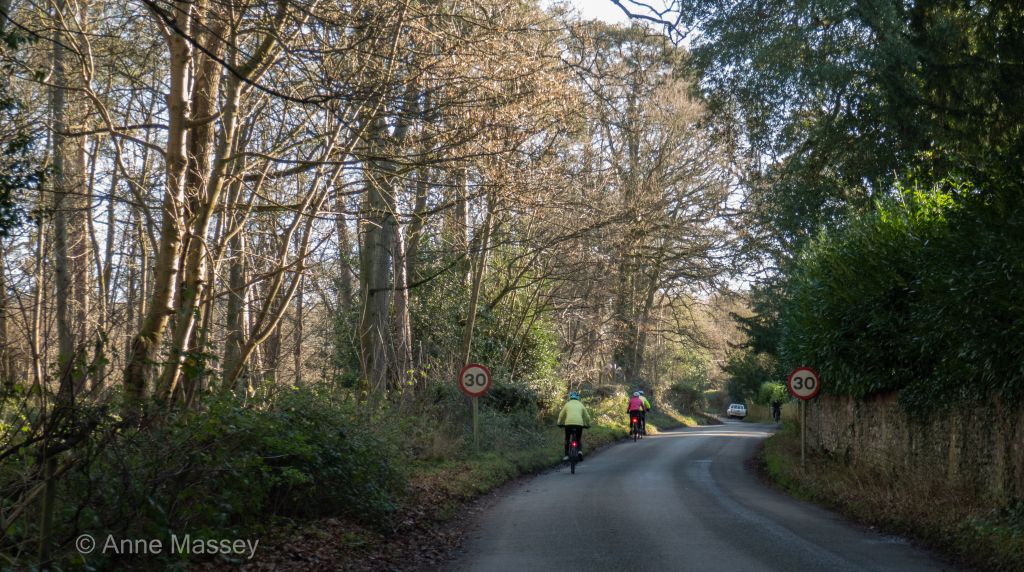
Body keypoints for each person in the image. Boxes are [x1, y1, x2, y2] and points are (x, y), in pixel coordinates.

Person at [557, 391, 592, 461]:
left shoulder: (567, 404)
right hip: (579, 424)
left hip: (568, 424)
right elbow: (587, 417)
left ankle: (566, 455)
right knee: (578, 439)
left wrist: (559, 423)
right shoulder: (581, 405)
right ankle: (580, 451)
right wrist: (588, 424)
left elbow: (561, 415)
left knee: (567, 439)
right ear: (578, 398)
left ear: (570, 397)